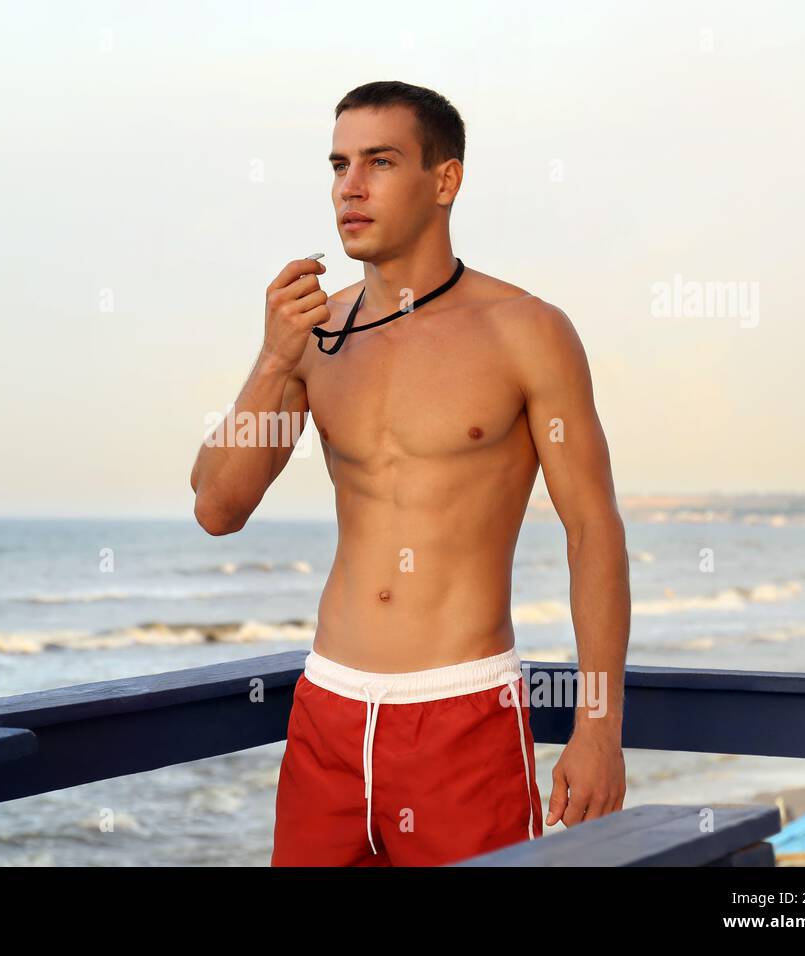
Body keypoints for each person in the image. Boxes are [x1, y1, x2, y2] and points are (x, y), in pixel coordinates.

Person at [189, 80, 630, 866]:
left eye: (380, 162)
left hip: (461, 713)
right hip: (327, 711)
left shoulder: (526, 331)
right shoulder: (313, 338)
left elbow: (592, 529)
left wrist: (598, 726)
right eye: (338, 165)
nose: (349, 188)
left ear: (444, 181)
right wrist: (271, 358)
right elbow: (218, 506)